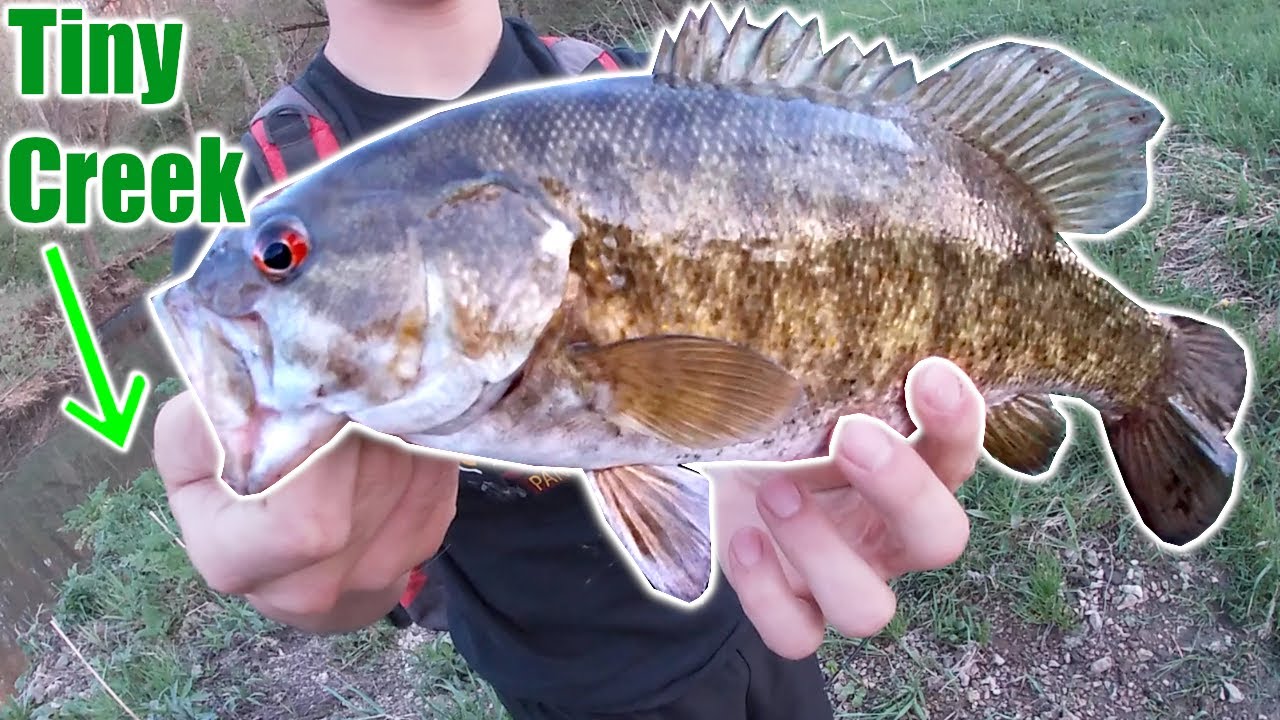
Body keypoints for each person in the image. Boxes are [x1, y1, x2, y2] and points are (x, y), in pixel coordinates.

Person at [154, 1, 985, 718]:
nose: (265, 270)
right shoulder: (249, 192)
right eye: (283, 257)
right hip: (568, 679)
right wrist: (331, 585)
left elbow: (714, 393)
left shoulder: (629, 84)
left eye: (280, 257)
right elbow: (363, 564)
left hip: (755, 587)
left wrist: (770, 471)